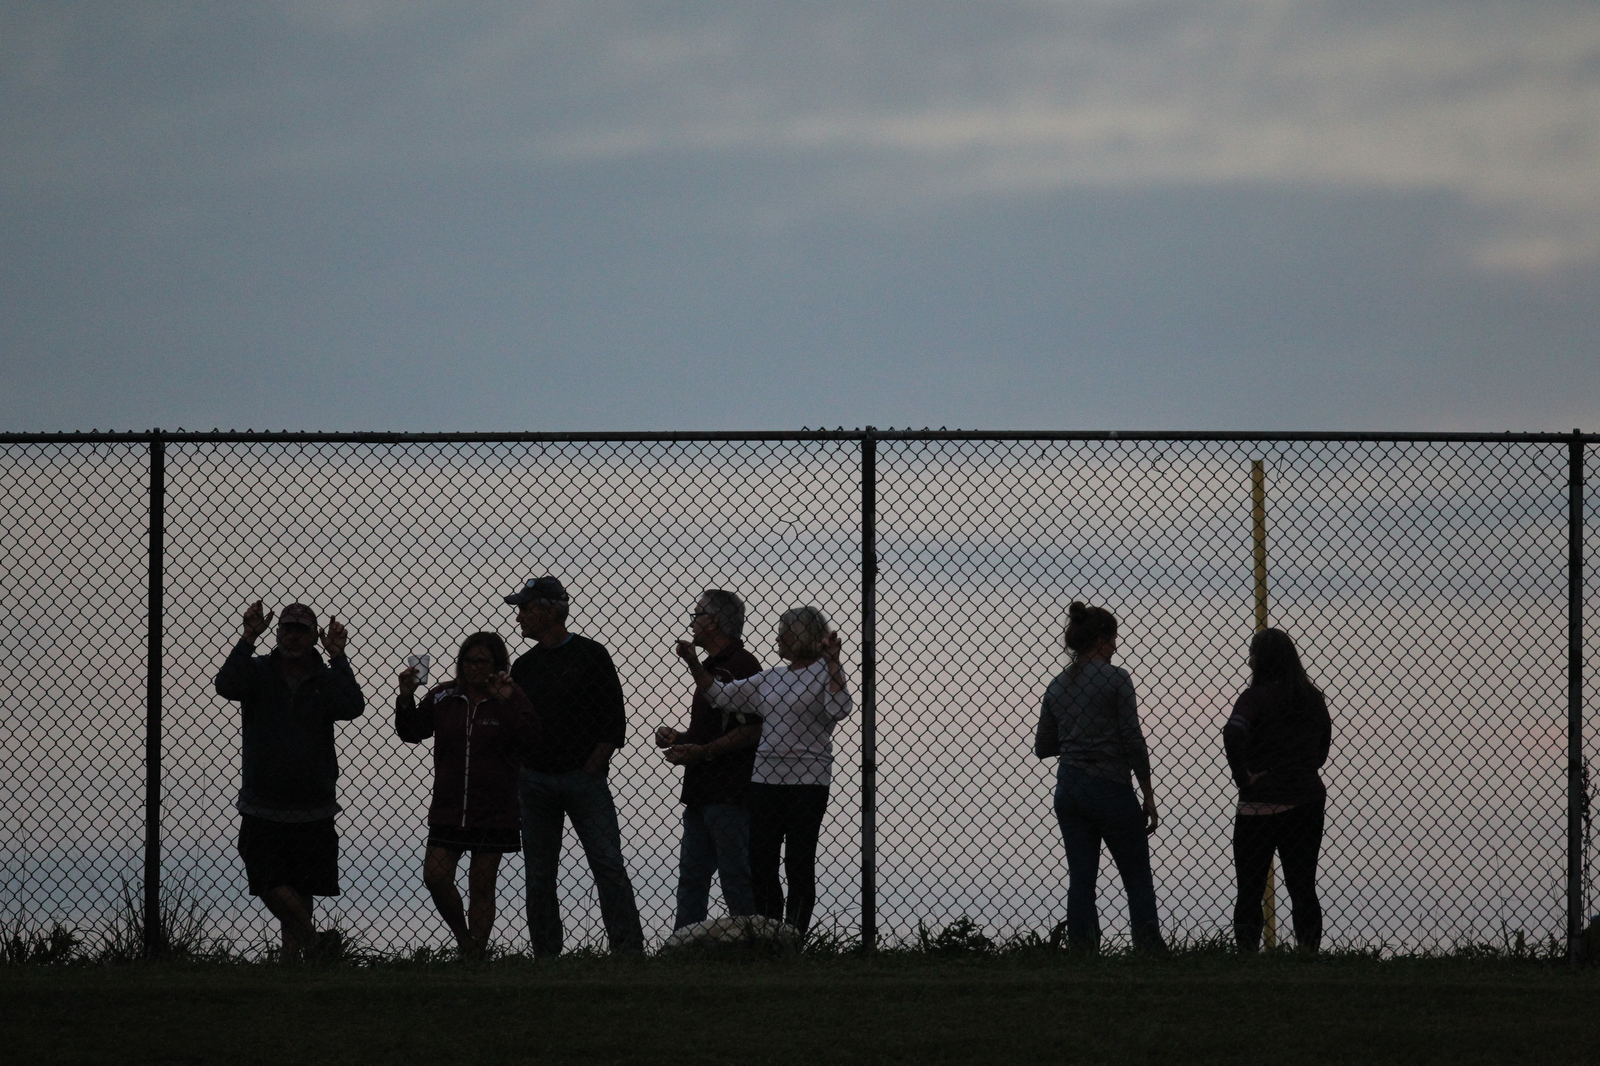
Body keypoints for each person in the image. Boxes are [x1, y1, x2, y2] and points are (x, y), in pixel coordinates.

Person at [683, 606, 852, 934]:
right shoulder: (771, 678)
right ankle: (771, 932)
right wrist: (693, 663)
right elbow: (721, 696)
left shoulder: (824, 673)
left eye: (784, 630)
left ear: (800, 633)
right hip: (765, 780)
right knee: (762, 861)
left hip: (808, 782)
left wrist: (833, 661)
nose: (777, 636)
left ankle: (794, 935)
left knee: (798, 862)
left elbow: (840, 707)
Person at [215, 600, 365, 960]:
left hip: (313, 800)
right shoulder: (257, 670)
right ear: (276, 631)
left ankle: (292, 959)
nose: (293, 636)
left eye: (302, 630)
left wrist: (339, 657)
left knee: (303, 884)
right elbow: (226, 684)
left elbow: (352, 706)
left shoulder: (325, 678)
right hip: (263, 799)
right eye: (287, 629)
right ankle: (314, 943)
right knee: (267, 878)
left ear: (315, 637)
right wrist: (248, 638)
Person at [506, 575, 643, 956]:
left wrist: (593, 766)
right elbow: (515, 725)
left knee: (608, 864)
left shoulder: (590, 655)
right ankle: (547, 954)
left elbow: (613, 719)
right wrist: (523, 770)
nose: (519, 617)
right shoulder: (524, 666)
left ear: (551, 612)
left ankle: (627, 950)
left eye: (526, 609)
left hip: (583, 780)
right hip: (536, 781)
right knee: (538, 874)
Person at [1033, 601, 1166, 952]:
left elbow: (1043, 746)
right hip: (1111, 786)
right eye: (1114, 638)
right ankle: (1149, 948)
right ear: (1103, 639)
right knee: (1136, 876)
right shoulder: (1117, 678)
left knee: (1081, 877)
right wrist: (1148, 793)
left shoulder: (1057, 685)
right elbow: (1133, 739)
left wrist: (1076, 734)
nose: (1116, 646)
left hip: (1070, 787)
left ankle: (1082, 947)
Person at [396, 632, 539, 959]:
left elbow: (531, 738)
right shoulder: (444, 696)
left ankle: (475, 956)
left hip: (495, 809)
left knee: (482, 885)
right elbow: (412, 731)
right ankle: (465, 939)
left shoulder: (509, 696)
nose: (474, 667)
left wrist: (507, 699)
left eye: (482, 661)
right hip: (449, 807)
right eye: (468, 660)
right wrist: (405, 697)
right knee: (435, 875)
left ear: (497, 665)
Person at [658, 589, 764, 930]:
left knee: (735, 877)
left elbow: (752, 729)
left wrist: (701, 751)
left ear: (715, 621)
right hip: (703, 792)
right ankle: (686, 946)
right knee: (692, 878)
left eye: (697, 614)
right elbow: (715, 731)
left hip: (729, 792)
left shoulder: (741, 665)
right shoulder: (713, 666)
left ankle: (750, 944)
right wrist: (681, 739)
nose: (692, 621)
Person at [1223, 627, 1332, 953]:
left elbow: (1233, 732)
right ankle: (1308, 952)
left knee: (1249, 890)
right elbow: (1322, 750)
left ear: (1261, 660)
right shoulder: (1312, 699)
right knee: (1303, 887)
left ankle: (1246, 954)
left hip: (1259, 806)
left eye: (1252, 652)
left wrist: (1244, 777)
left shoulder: (1253, 699)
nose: (1249, 659)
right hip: (1305, 801)